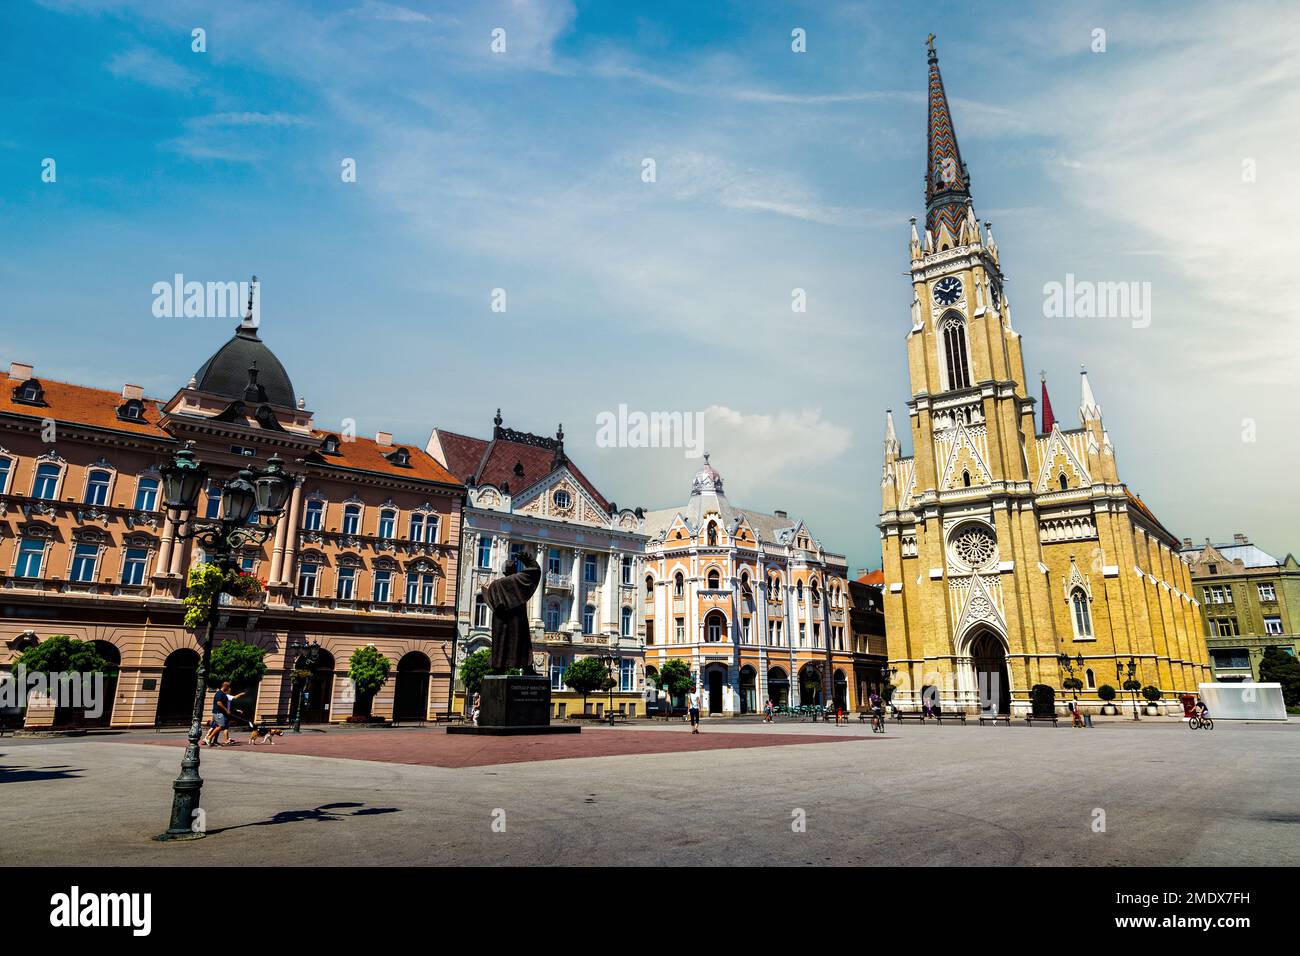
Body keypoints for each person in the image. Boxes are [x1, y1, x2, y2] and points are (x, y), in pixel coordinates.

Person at [205, 682, 243, 747]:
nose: (229, 689)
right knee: (221, 726)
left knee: (218, 727)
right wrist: (226, 710)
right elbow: (219, 703)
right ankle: (209, 738)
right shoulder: (219, 693)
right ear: (225, 686)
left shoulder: (223, 694)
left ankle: (214, 741)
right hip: (218, 713)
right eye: (228, 687)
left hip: (221, 713)